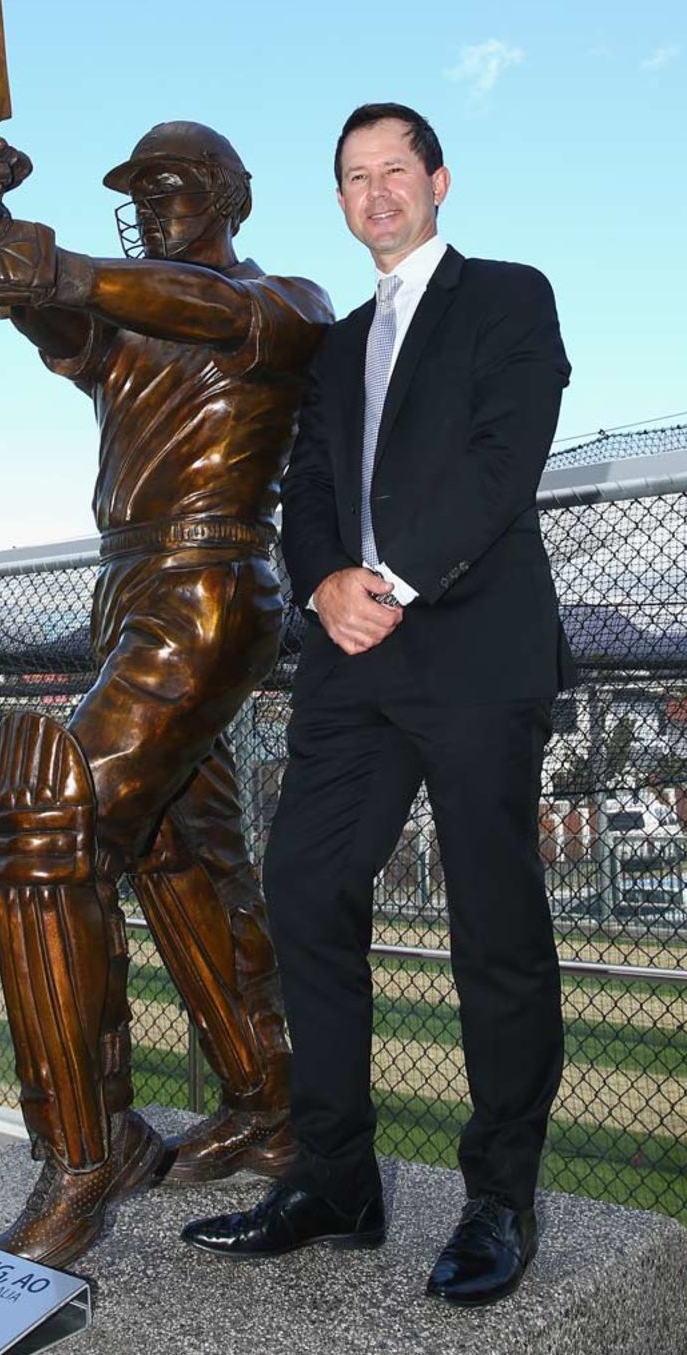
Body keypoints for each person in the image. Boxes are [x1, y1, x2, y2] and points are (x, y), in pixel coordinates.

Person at [182, 103, 575, 1306]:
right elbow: (304, 489)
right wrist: (324, 582)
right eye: (355, 177)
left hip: (469, 649)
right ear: (342, 201)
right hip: (353, 663)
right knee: (304, 886)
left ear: (439, 180)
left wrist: (389, 577)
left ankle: (499, 1194)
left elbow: (506, 459)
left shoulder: (510, 297)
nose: (377, 190)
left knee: (492, 928)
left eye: (395, 168)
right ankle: (337, 1179)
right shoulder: (336, 343)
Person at [0, 120, 333, 1267]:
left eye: (178, 187)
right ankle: (268, 1103)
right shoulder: (128, 317)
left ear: (233, 198)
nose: (155, 204)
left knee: (49, 822)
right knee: (178, 852)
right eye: (141, 192)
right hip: (133, 589)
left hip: (208, 584)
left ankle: (85, 1155)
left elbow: (154, 299)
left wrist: (47, 263)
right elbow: (41, 304)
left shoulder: (279, 306)